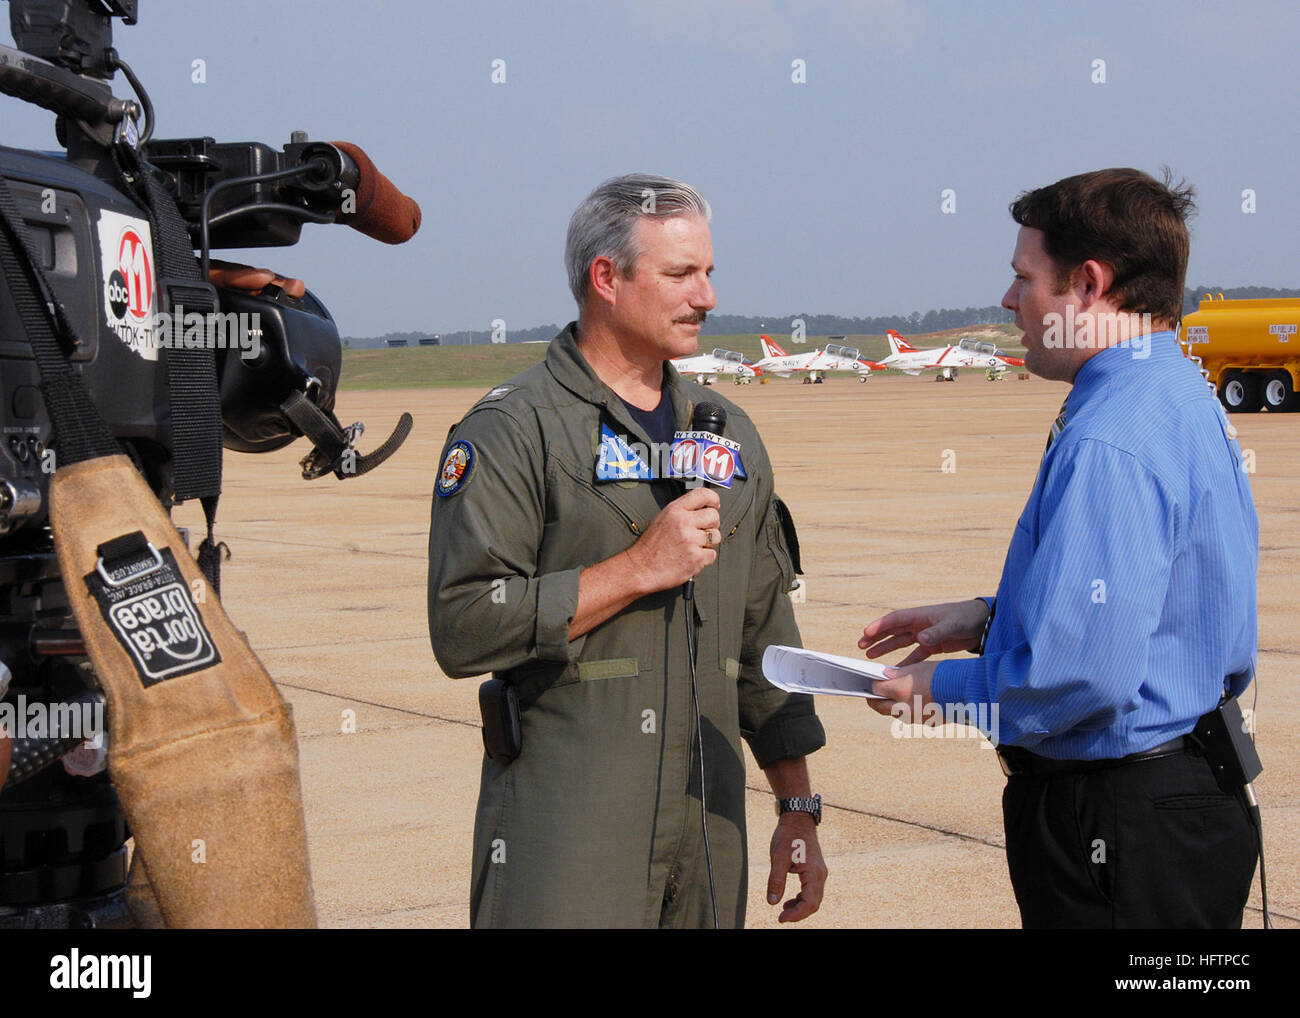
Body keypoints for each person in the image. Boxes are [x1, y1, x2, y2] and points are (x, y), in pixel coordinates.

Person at [859, 168, 1260, 929]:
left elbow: (1083, 676)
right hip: (1181, 802)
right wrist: (986, 617)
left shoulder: (1112, 435)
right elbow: (1159, 600)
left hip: (1119, 820)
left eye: (1023, 278)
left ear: (1087, 284)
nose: (1010, 301)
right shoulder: (1175, 391)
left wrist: (936, 694)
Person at [427, 174, 827, 928]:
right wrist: (637, 568)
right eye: (681, 274)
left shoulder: (730, 436)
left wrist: (797, 808)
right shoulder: (515, 432)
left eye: (709, 272)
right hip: (571, 833)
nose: (706, 296)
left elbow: (764, 630)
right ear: (605, 278)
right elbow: (463, 623)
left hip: (709, 829)